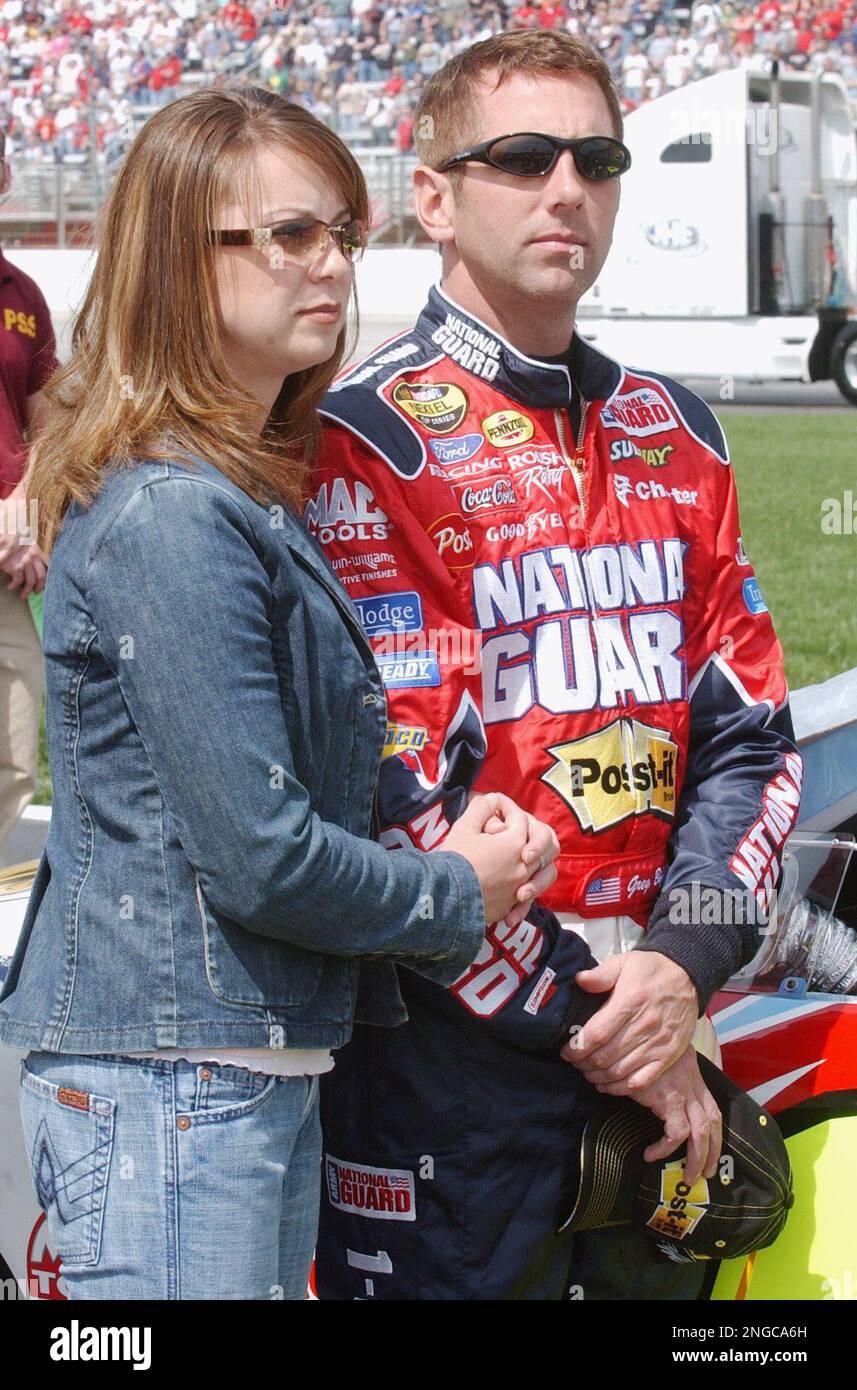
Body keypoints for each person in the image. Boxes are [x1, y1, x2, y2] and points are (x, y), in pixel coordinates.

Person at [0, 84, 561, 1301]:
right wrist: (453, 888)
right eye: (290, 234)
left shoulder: (225, 492)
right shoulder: (175, 513)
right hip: (176, 1080)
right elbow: (260, 856)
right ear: (173, 264)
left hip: (215, 1071)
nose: (333, 265)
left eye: (344, 234)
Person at [310, 30, 803, 1300]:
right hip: (448, 1088)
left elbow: (748, 737)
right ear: (431, 194)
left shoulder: (677, 429)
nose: (564, 188)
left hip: (652, 1049)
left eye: (595, 156)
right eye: (521, 157)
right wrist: (622, 1035)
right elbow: (383, 792)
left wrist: (680, 970)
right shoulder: (359, 442)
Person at [0, 126, 56, 856]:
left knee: (16, 742)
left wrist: (28, 521)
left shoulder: (22, 294)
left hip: (9, 552)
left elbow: (45, 427)